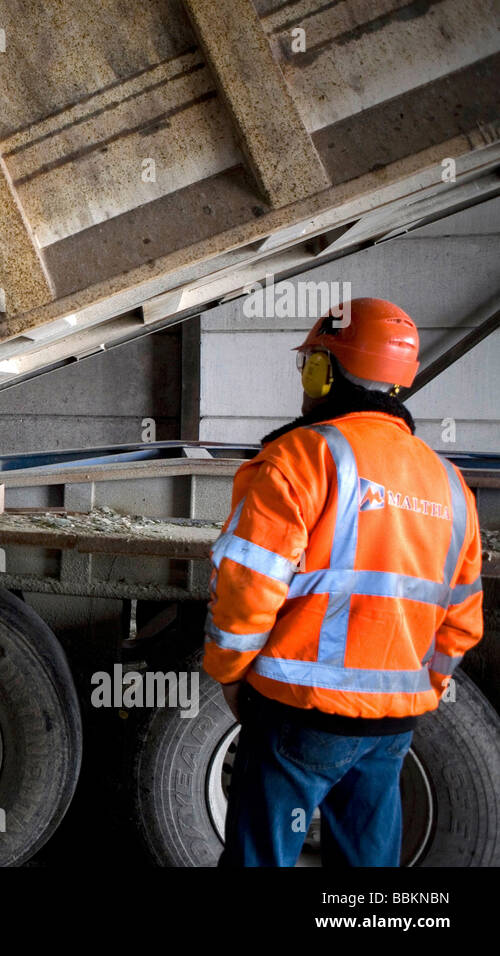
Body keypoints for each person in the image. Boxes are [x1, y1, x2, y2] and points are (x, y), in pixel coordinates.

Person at [204, 297, 484, 867]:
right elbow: (461, 620)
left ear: (323, 371)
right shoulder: (449, 483)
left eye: (310, 363)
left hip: (297, 714)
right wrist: (417, 692)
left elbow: (247, 588)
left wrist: (230, 674)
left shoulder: (301, 458)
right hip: (392, 725)